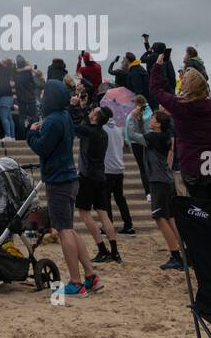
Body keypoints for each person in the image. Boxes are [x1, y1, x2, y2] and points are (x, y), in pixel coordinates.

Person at [26, 79, 100, 296]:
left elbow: (41, 147)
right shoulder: (65, 116)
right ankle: (90, 276)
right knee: (70, 228)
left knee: (64, 230)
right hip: (70, 177)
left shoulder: (52, 120)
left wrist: (31, 132)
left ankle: (75, 283)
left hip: (58, 181)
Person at [149, 53, 211, 209]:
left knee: (200, 212)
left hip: (193, 166)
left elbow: (155, 90)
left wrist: (158, 65)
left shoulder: (179, 106)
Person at [73, 103, 122, 264]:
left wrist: (76, 107)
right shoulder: (103, 133)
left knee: (84, 213)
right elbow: (84, 125)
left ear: (95, 117)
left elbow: (75, 126)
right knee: (103, 214)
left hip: (88, 177)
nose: (91, 111)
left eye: (93, 111)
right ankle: (114, 251)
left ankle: (102, 249)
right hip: (101, 176)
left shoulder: (89, 132)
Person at [145, 108, 183, 269]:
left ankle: (175, 255)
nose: (150, 119)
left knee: (160, 218)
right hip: (166, 179)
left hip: (158, 181)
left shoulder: (154, 136)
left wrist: (134, 119)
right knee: (171, 217)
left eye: (153, 118)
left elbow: (133, 135)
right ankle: (184, 252)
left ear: (158, 124)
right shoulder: (166, 137)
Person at [101, 105, 135, 235]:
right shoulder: (117, 129)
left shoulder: (103, 129)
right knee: (120, 198)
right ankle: (128, 225)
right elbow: (121, 146)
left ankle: (107, 226)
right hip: (118, 168)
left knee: (105, 198)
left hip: (108, 168)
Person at [124, 96, 152, 195]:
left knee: (145, 167)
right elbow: (130, 131)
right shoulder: (148, 113)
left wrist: (137, 118)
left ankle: (149, 191)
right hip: (144, 142)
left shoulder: (135, 115)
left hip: (143, 142)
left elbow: (129, 132)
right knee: (145, 167)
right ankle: (148, 190)